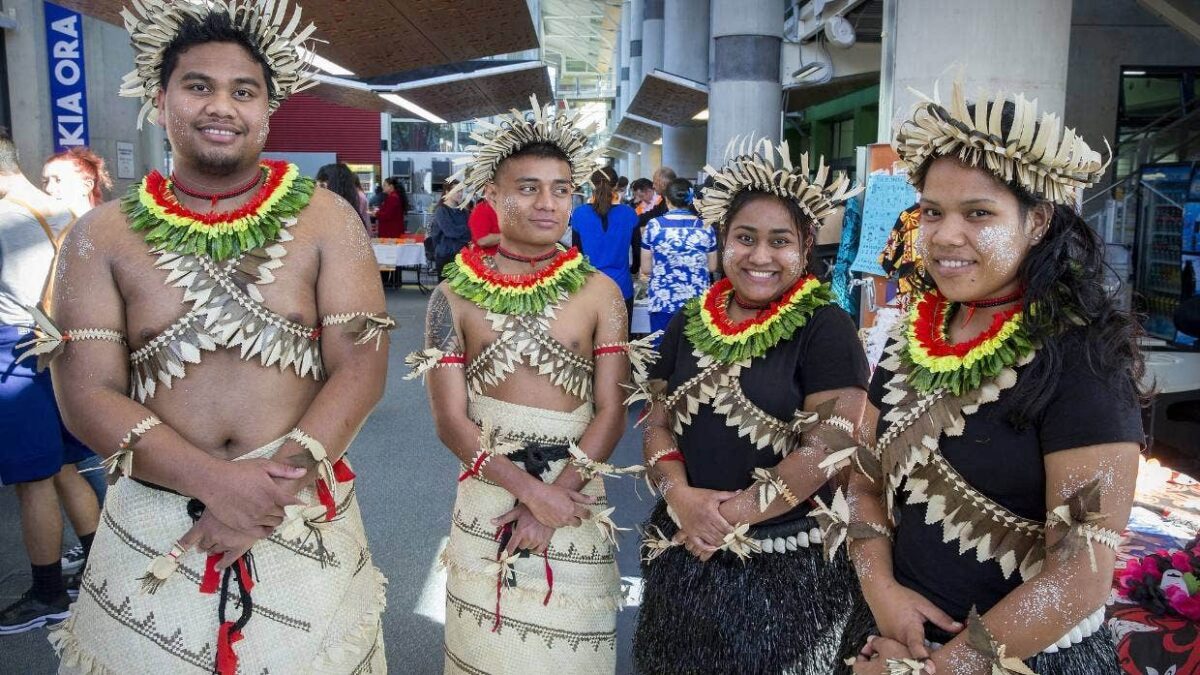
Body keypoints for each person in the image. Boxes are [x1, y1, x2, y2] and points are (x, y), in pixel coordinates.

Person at [34, 2, 392, 672]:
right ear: (160, 98)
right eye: (198, 86)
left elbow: (360, 368)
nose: (221, 106)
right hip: (152, 517)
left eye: (243, 91)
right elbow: (86, 393)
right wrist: (217, 484)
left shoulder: (327, 221)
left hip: (297, 505)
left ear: (268, 110)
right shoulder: (98, 236)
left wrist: (266, 490)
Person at [842, 83, 1144, 675]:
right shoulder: (912, 335)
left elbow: (1079, 576)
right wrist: (883, 594)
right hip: (889, 638)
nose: (944, 236)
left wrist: (937, 671)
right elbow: (863, 484)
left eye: (978, 213)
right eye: (933, 211)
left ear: (1038, 221)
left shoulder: (1084, 356)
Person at [408, 96, 643, 674]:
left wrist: (553, 497)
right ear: (492, 194)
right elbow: (450, 422)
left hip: (575, 495)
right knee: (485, 648)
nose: (547, 203)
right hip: (488, 498)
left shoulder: (601, 293)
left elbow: (612, 412)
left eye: (561, 189)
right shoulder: (451, 295)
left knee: (570, 651)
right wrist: (530, 492)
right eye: (529, 188)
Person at [632, 139, 870, 674]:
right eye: (745, 238)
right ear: (722, 241)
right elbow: (657, 422)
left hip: (787, 568)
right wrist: (680, 498)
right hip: (683, 546)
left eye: (779, 241)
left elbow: (828, 448)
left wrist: (725, 519)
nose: (760, 257)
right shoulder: (689, 318)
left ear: (805, 247)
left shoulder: (826, 327)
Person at [0, 131, 102, 635]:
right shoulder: (61, 213)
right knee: (62, 467)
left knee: (33, 480)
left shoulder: (7, 216)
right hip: (54, 348)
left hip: (16, 351)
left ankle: (47, 593)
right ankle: (100, 570)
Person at [638, 177, 717, 337]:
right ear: (691, 199)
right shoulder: (706, 226)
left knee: (661, 348)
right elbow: (712, 267)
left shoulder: (654, 226)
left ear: (667, 200)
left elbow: (646, 269)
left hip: (663, 302)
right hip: (697, 304)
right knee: (693, 350)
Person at [571, 167, 639, 317]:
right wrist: (633, 270)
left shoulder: (579, 214)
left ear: (592, 185)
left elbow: (576, 256)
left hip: (590, 288)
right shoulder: (629, 213)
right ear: (616, 186)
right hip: (622, 287)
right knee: (622, 332)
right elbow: (637, 254)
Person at [42, 147, 113, 218]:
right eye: (45, 181)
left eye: (58, 180)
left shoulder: (108, 222)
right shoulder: (45, 223)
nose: (48, 189)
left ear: (86, 186)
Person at [429, 178, 471, 280]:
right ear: (447, 192)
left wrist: (462, 231)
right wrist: (465, 229)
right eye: (457, 191)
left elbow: (470, 233)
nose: (460, 194)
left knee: (460, 287)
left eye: (461, 191)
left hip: (462, 256)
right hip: (445, 256)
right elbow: (451, 232)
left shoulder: (463, 211)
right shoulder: (441, 211)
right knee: (445, 287)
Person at [316, 162, 369, 228]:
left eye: (322, 185)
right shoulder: (320, 211)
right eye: (318, 182)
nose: (317, 188)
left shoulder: (347, 218)